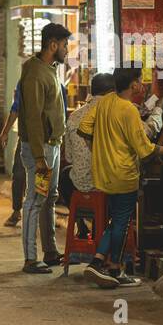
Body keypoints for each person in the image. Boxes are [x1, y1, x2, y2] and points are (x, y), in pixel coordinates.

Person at [76, 68, 163, 288]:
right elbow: (144, 149)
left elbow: (84, 127)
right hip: (123, 174)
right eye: (140, 81)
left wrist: (98, 147)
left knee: (116, 220)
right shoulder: (128, 110)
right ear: (133, 85)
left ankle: (104, 264)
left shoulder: (105, 101)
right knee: (121, 222)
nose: (143, 86)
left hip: (104, 172)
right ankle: (109, 266)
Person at [16, 22, 71, 274]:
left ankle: (49, 252)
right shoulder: (36, 74)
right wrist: (39, 157)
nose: (66, 50)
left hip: (52, 146)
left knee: (49, 197)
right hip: (42, 150)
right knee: (36, 199)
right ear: (52, 45)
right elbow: (33, 118)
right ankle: (30, 258)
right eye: (64, 45)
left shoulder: (48, 69)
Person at [63, 71, 115, 217]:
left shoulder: (74, 117)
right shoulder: (118, 114)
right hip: (110, 188)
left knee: (65, 176)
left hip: (82, 185)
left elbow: (69, 157)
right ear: (112, 92)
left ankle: (82, 221)